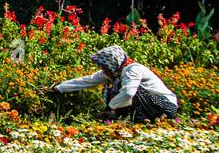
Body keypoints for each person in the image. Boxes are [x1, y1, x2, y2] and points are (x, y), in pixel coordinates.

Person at [51, 46, 179, 122]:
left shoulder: (133, 69)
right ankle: (129, 118)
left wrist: (109, 108)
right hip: (151, 105)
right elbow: (88, 80)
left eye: (104, 66)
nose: (103, 70)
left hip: (164, 106)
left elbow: (129, 92)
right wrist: (59, 88)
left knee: (131, 90)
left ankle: (137, 119)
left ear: (113, 63)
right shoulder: (115, 72)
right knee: (114, 87)